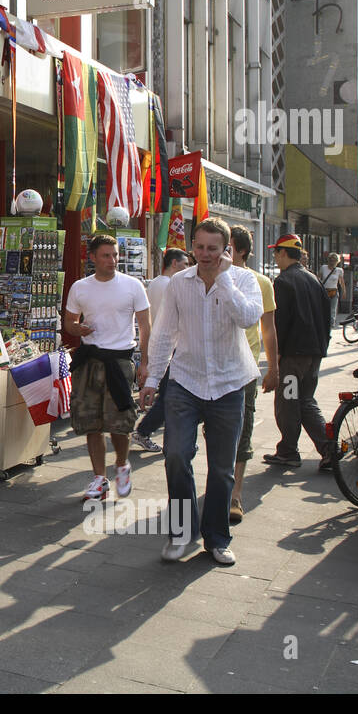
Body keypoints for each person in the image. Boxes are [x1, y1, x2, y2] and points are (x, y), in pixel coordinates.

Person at [142, 217, 263, 566]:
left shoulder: (243, 280)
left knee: (222, 468)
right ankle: (181, 534)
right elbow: (165, 333)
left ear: (226, 250)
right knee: (177, 456)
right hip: (186, 380)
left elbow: (247, 318)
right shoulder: (179, 283)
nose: (205, 255)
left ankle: (217, 538)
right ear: (192, 246)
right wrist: (152, 379)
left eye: (213, 249)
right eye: (199, 247)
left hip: (229, 383)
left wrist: (223, 280)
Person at [63, 234, 151, 501]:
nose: (113, 260)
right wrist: (76, 328)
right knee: (90, 422)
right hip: (89, 359)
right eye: (106, 255)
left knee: (119, 423)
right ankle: (99, 479)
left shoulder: (132, 285)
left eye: (114, 255)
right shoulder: (80, 287)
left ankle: (122, 464)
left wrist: (144, 363)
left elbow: (146, 326)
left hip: (120, 360)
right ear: (92, 258)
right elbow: (69, 322)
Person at [264, 233, 334, 470]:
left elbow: (279, 324)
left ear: (284, 253)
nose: (275, 257)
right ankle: (325, 448)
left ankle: (291, 450)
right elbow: (328, 318)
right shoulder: (313, 279)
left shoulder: (283, 282)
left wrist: (277, 357)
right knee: (304, 399)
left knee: (289, 402)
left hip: (294, 356)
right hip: (314, 354)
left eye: (276, 252)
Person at [228, 226, 278, 523]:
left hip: (245, 369)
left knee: (243, 431)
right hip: (211, 369)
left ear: (241, 250)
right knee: (216, 432)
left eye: (227, 247)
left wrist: (273, 368)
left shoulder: (260, 282)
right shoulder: (205, 277)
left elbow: (268, 329)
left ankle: (235, 493)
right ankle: (222, 483)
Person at [129, 248, 192, 454]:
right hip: (170, 346)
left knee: (168, 394)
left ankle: (171, 436)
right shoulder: (173, 285)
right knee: (169, 395)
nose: (187, 268)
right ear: (174, 263)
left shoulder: (155, 283)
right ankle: (145, 431)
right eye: (185, 264)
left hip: (160, 343)